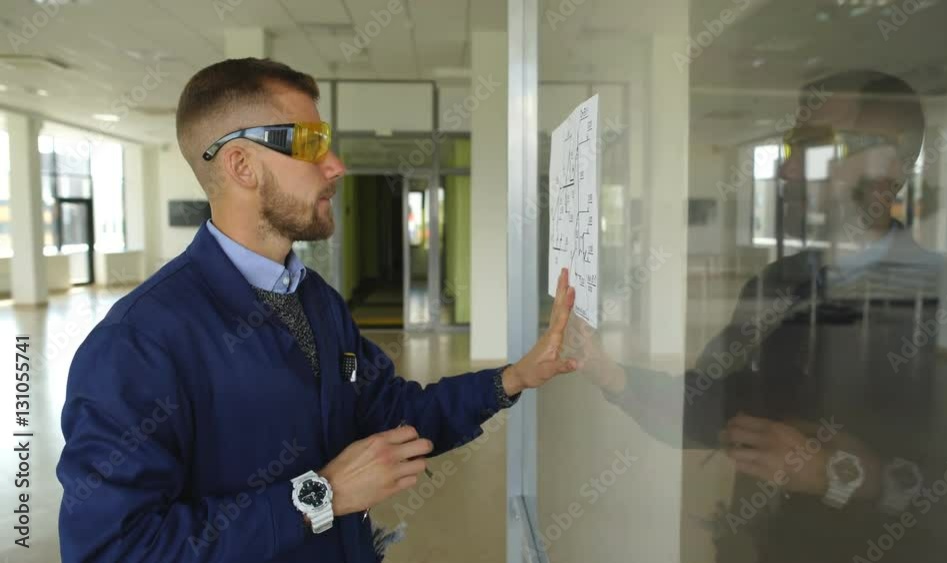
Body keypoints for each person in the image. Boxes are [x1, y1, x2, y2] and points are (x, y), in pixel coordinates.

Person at [56, 58, 578, 563]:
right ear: (241, 165)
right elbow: (114, 548)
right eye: (310, 145)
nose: (335, 165)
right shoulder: (139, 341)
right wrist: (320, 496)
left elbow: (391, 414)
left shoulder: (316, 300)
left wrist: (513, 377)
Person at [570, 70, 947, 563]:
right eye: (792, 146)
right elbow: (714, 406)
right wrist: (610, 372)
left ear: (887, 164)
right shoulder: (776, 284)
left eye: (814, 146)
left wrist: (851, 476)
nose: (788, 171)